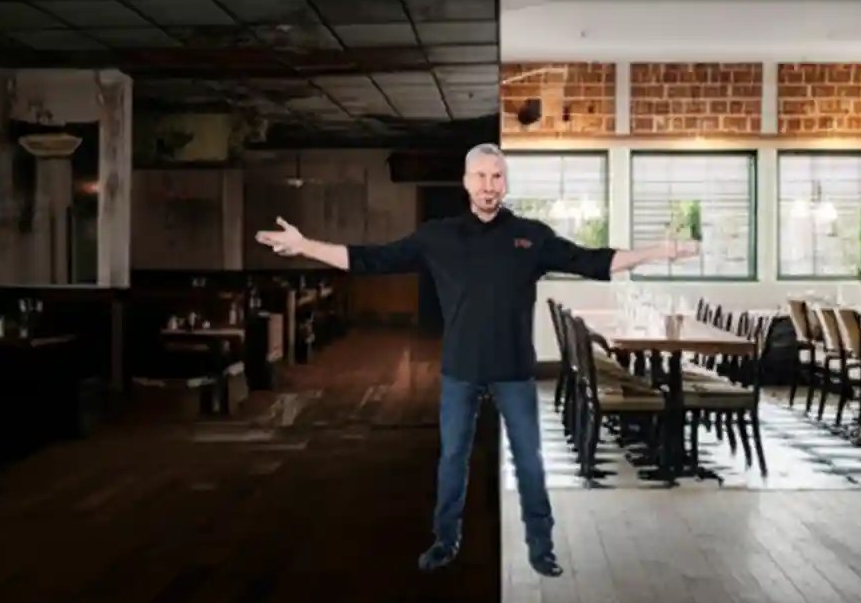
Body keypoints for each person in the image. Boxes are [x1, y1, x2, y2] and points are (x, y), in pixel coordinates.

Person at [255, 143, 698, 577]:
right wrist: (305, 245)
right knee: (452, 460)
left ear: (505, 183)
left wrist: (657, 252)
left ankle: (541, 548)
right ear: (467, 182)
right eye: (481, 176)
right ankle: (445, 543)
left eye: (497, 176)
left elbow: (593, 260)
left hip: (515, 372)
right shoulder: (438, 236)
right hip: (461, 371)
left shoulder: (532, 236)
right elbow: (370, 259)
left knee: (529, 460)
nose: (489, 185)